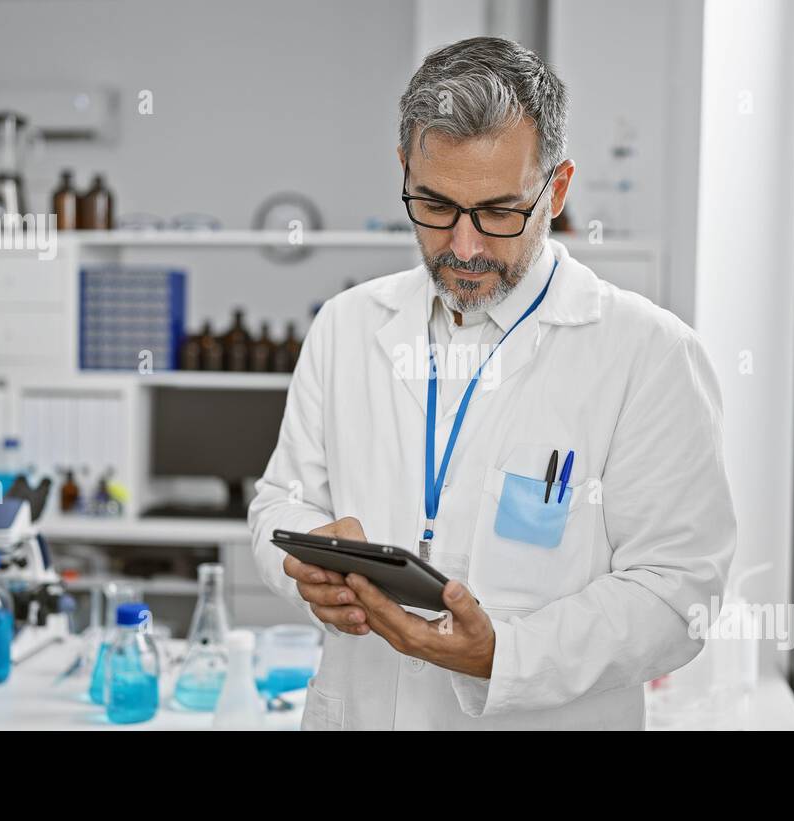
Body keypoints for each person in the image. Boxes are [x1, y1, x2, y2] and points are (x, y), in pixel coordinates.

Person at [249, 36, 736, 729]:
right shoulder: (347, 325)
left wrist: (503, 653)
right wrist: (308, 567)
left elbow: (679, 594)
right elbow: (279, 501)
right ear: (404, 171)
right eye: (436, 206)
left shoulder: (648, 355)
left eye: (500, 211)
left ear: (557, 189)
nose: (465, 246)